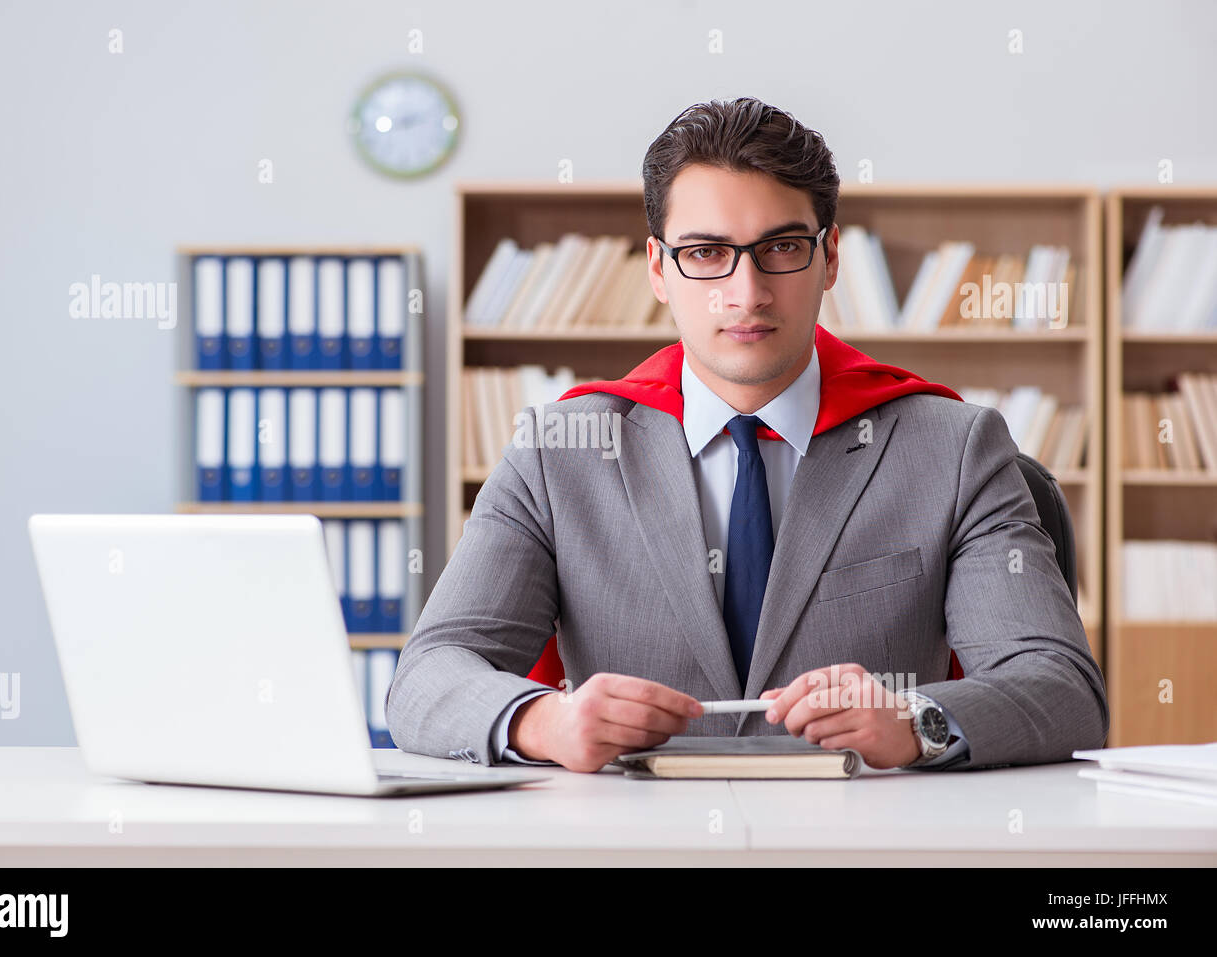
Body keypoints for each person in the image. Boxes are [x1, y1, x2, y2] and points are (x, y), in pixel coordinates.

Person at [386, 96, 1108, 773]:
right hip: (630, 844)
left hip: (865, 842)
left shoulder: (952, 448)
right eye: (705, 253)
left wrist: (917, 722)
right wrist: (543, 723)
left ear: (830, 258)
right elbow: (426, 678)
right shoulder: (557, 454)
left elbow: (1061, 687)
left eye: (782, 247)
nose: (747, 292)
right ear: (658, 269)